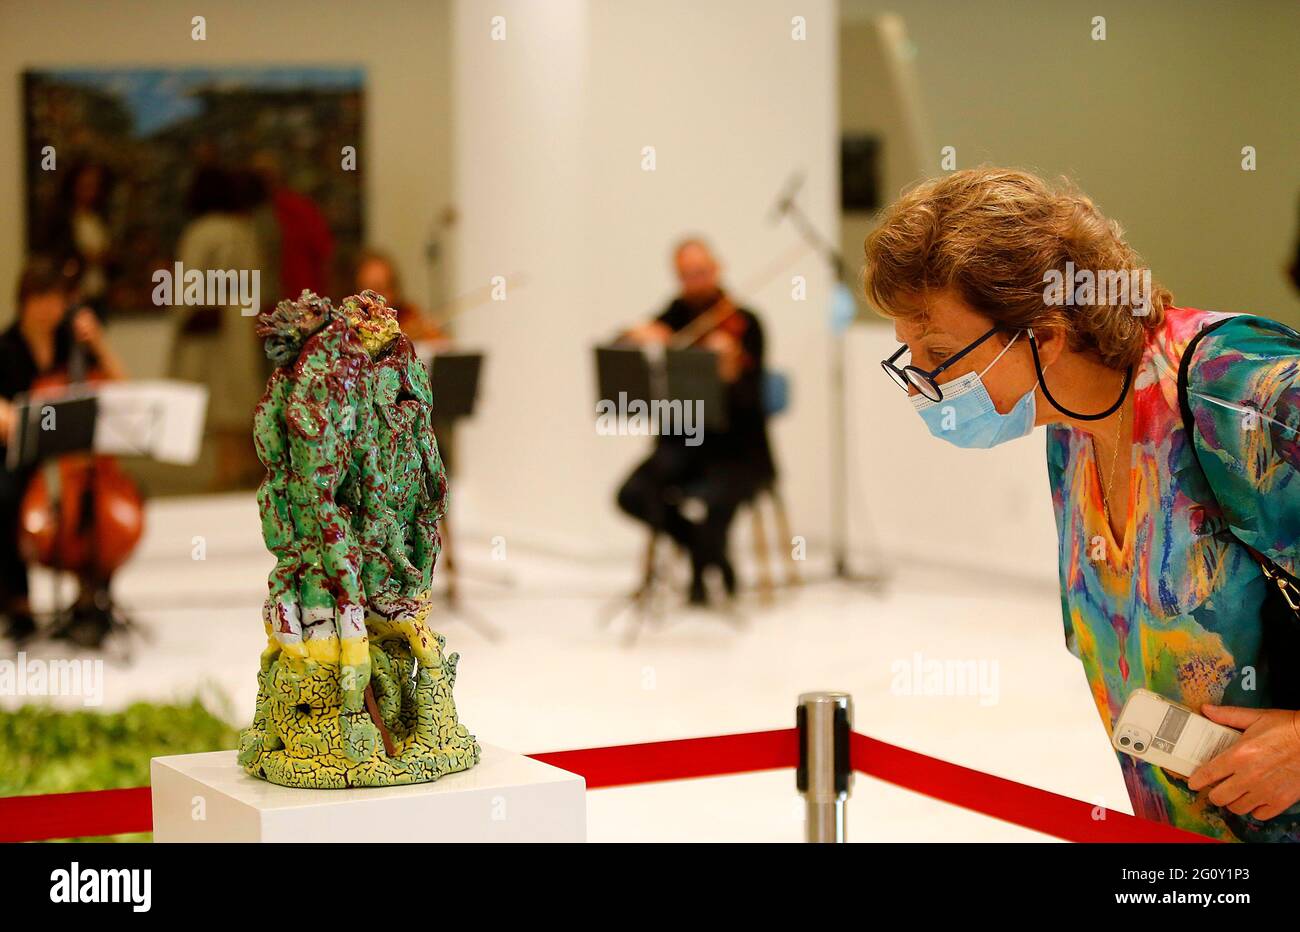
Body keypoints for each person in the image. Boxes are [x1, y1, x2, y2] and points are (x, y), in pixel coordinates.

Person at [864, 167, 1300, 842]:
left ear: (1043, 335)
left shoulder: (1239, 391)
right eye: (912, 358)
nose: (923, 386)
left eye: (941, 357)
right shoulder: (1072, 431)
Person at [616, 238, 775, 604]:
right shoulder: (675, 315)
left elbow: (752, 402)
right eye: (686, 275)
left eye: (701, 272)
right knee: (633, 495)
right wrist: (635, 336)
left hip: (737, 449)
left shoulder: (745, 324)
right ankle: (711, 556)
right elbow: (621, 346)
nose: (695, 282)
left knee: (718, 501)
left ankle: (705, 569)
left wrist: (730, 372)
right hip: (681, 443)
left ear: (717, 269)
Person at [0, 256, 127, 642]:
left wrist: (99, 343)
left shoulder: (71, 342)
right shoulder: (7, 347)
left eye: (55, 300)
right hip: (22, 454)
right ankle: (16, 601)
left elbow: (120, 389)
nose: (49, 309)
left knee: (98, 500)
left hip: (73, 456)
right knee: (3, 498)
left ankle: (92, 597)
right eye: (41, 299)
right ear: (24, 301)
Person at [171, 165, 265, 489]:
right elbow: (255, 281)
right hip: (239, 319)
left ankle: (226, 471)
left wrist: (185, 314)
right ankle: (244, 465)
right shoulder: (242, 229)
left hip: (210, 324)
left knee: (220, 399)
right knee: (239, 394)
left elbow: (188, 281)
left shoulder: (199, 232)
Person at [353, 250, 446, 343]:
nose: (383, 298)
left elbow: (443, 345)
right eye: (375, 290)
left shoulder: (408, 315)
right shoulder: (352, 327)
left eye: (388, 287)